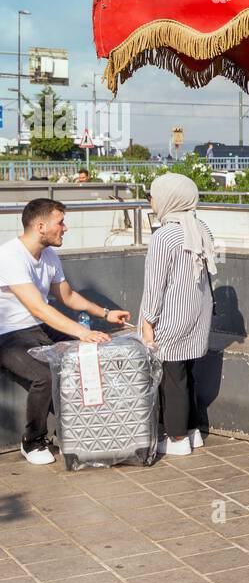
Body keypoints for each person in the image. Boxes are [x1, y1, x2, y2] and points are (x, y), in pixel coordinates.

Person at [0, 199, 131, 464]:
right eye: (60, 222)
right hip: (10, 334)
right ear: (40, 226)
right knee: (45, 375)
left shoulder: (48, 255)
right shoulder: (10, 256)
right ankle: (33, 440)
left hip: (40, 327)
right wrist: (80, 332)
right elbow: (38, 308)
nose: (65, 228)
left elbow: (67, 296)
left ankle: (83, 428)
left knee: (94, 352)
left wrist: (105, 314)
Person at [140, 175, 217, 457]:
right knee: (187, 374)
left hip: (171, 315)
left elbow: (155, 284)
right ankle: (193, 430)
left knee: (172, 378)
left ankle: (176, 438)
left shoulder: (164, 235)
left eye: (154, 194)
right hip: (197, 313)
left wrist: (148, 321)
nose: (152, 200)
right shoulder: (201, 227)